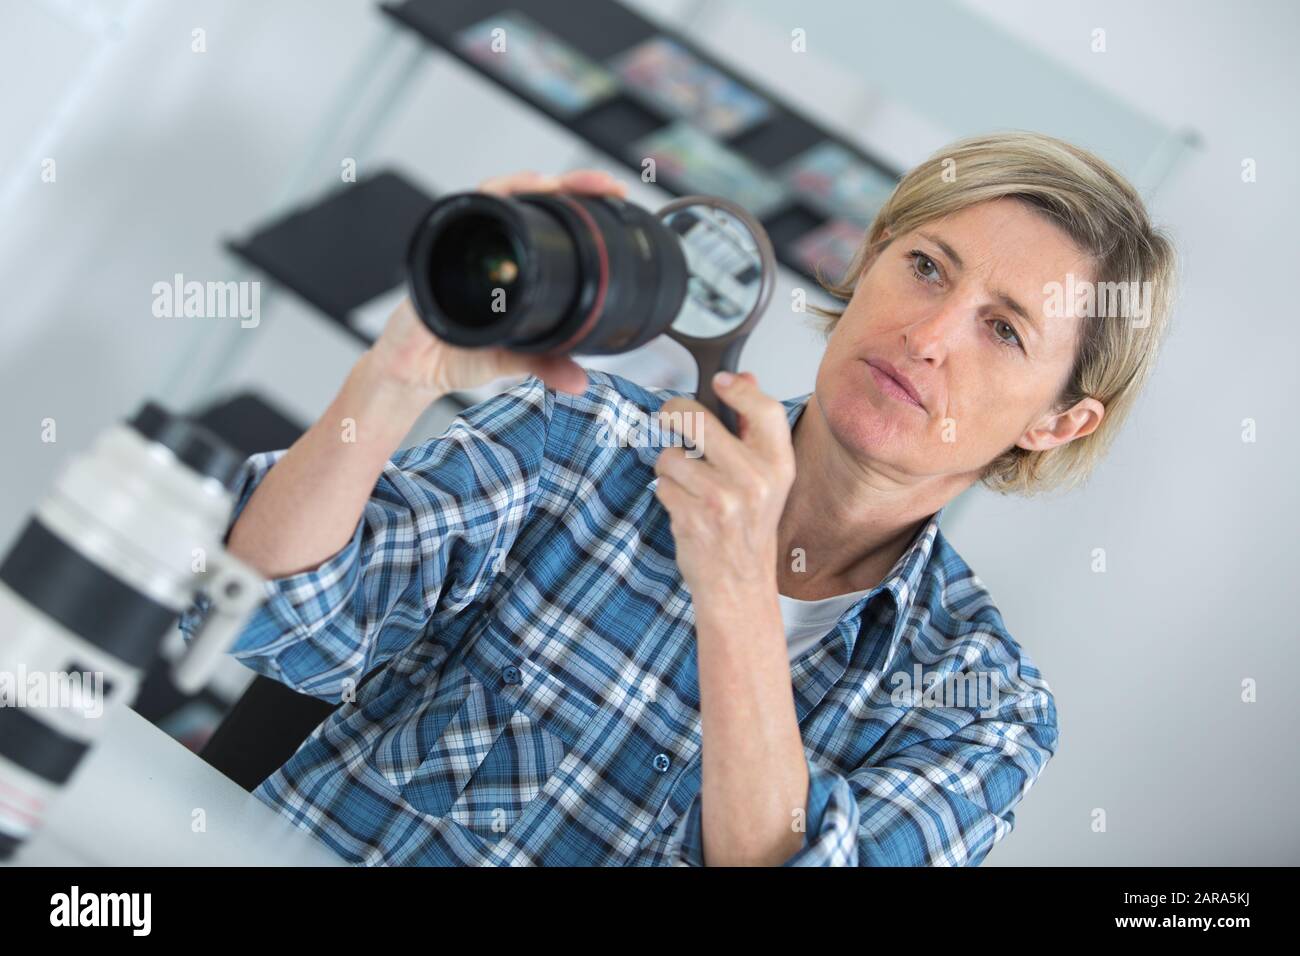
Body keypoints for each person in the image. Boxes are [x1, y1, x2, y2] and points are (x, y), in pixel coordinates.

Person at [182, 131, 1176, 865]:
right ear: (867, 261)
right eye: (924, 268)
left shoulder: (983, 707)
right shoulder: (582, 439)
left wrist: (738, 585)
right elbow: (251, 607)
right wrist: (395, 378)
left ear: (1056, 422)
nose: (929, 334)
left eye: (1002, 329)